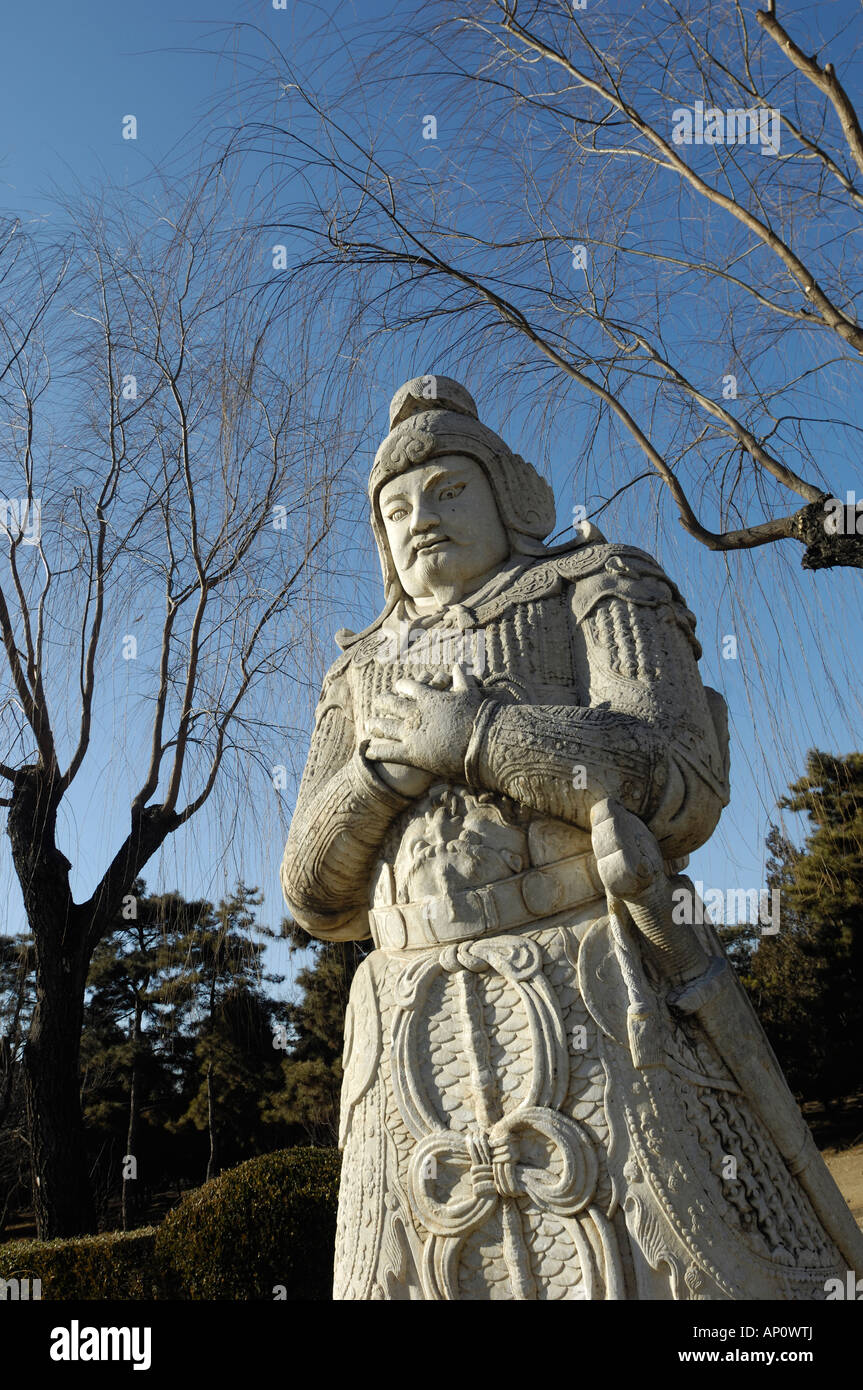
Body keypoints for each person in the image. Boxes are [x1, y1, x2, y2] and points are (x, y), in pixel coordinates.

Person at [281, 375, 863, 1300]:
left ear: (508, 494)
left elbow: (677, 777)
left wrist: (475, 738)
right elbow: (313, 894)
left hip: (590, 977)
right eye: (394, 507)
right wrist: (377, 775)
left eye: (448, 489)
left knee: (662, 1264)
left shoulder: (596, 584)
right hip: (403, 1014)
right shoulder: (355, 673)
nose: (420, 516)